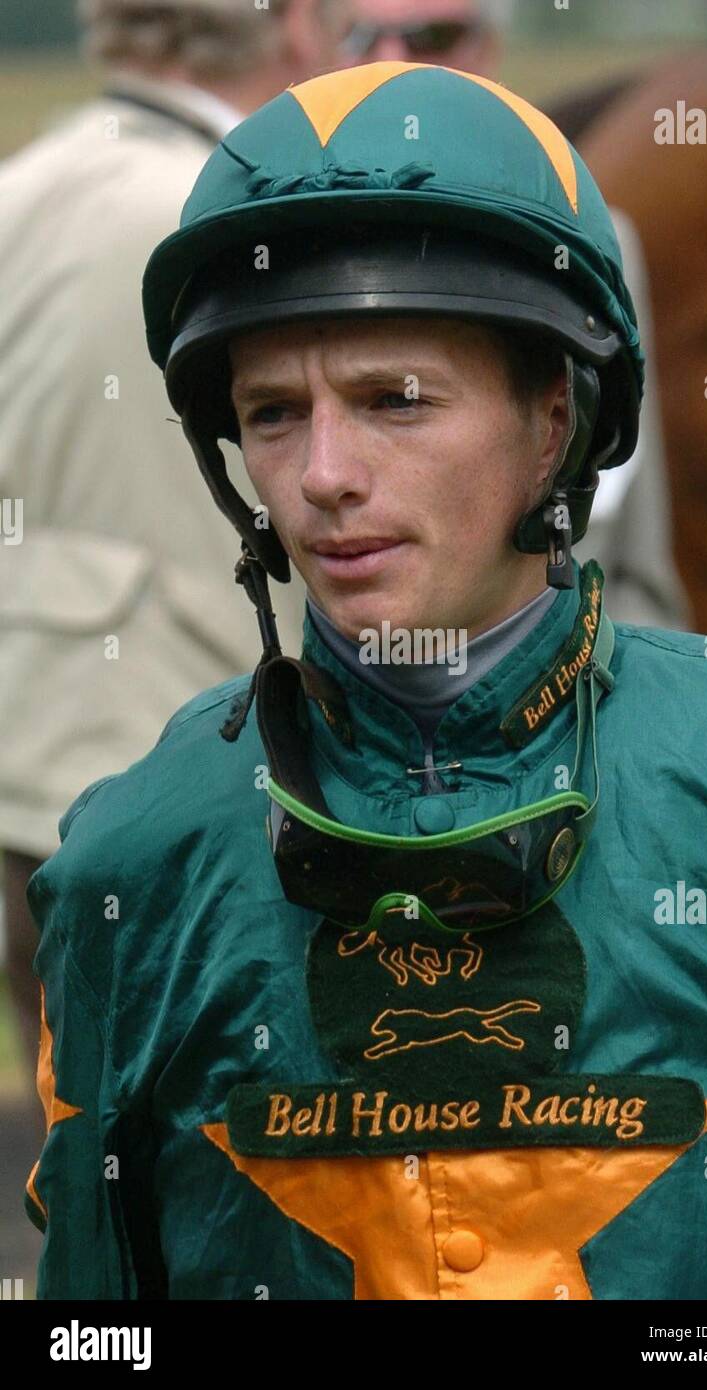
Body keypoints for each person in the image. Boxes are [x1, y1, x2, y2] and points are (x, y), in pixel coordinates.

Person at [24, 63, 707, 1300]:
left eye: (394, 399)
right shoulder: (134, 860)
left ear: (553, 422)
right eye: (274, 412)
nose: (323, 475)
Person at [0, 0, 332, 1080]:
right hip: (186, 745)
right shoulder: (219, 216)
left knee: (80, 1146)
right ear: (288, 25)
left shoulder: (28, 182)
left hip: (26, 747)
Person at [336, 0, 689, 630]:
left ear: (489, 52)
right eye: (359, 35)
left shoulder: (597, 249)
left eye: (433, 37)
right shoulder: (251, 259)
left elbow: (634, 553)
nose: (392, 61)